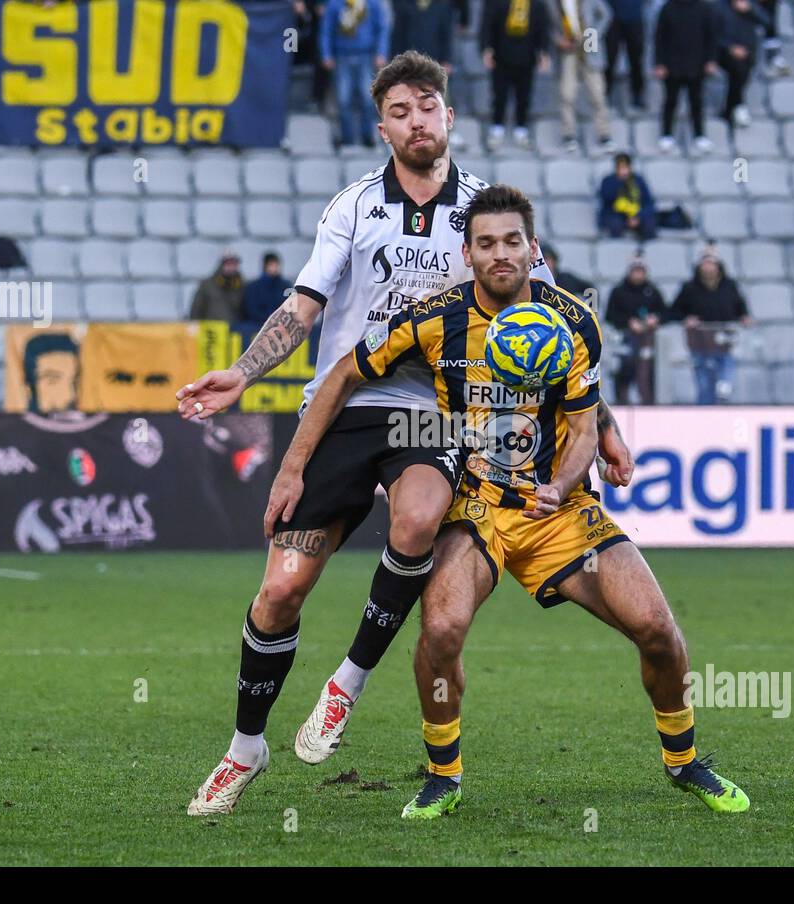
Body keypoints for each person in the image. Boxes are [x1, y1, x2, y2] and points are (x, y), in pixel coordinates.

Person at [177, 52, 634, 816]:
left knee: (420, 517)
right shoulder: (352, 207)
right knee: (282, 589)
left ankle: (346, 683)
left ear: (448, 117)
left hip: (439, 409)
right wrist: (244, 373)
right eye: (400, 110)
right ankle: (244, 748)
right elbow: (303, 306)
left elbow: (553, 322)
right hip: (346, 403)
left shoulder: (489, 212)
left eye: (428, 106)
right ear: (382, 125)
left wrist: (605, 422)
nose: (417, 120)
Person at [275, 185, 749, 818]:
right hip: (473, 507)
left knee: (658, 630)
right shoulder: (433, 318)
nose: (501, 254)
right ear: (467, 254)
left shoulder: (574, 320)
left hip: (560, 511)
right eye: (487, 243)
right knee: (440, 629)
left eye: (513, 242)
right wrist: (295, 464)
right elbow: (344, 374)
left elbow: (581, 427)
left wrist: (563, 483)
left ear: (534, 248)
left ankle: (684, 760)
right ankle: (443, 774)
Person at [672, 246, 751, 404]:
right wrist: (687, 319)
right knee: (704, 386)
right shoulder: (690, 288)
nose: (708, 267)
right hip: (700, 343)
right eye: (705, 263)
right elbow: (674, 311)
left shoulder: (730, 286)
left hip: (724, 342)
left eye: (711, 263)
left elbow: (740, 308)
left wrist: (744, 317)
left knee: (725, 384)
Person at [482, 0, 553, 150]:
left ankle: (521, 128)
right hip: (501, 56)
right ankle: (497, 128)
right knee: (499, 94)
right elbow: (488, 24)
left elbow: (543, 28)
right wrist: (486, 49)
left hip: (526, 57)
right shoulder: (498, 3)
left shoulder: (537, 4)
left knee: (524, 95)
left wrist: (543, 52)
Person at [320, 0, 391, 149]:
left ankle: (367, 137)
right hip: (342, 56)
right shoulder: (335, 4)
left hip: (366, 55)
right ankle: (348, 139)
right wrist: (326, 54)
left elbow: (382, 28)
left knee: (368, 99)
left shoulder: (373, 3)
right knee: (343, 99)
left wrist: (381, 52)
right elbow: (326, 29)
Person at [653, 0, 718, 155]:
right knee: (670, 101)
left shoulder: (704, 8)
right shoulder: (667, 8)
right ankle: (666, 135)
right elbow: (659, 38)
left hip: (696, 64)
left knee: (696, 102)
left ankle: (699, 135)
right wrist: (659, 63)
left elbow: (711, 36)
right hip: (672, 65)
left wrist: (711, 60)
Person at [554, 0, 614, 152]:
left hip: (590, 49)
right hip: (569, 50)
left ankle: (604, 133)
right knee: (567, 94)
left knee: (597, 94)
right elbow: (549, 25)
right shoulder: (555, 2)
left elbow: (606, 14)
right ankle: (569, 134)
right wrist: (558, 40)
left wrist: (593, 35)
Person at [605, 258, 665, 404]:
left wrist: (655, 319)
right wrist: (628, 322)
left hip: (647, 339)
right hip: (624, 338)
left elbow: (666, 312)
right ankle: (621, 401)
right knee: (624, 370)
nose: (638, 275)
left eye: (641, 271)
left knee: (646, 373)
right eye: (635, 271)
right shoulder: (618, 291)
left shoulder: (653, 291)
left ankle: (647, 402)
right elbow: (610, 315)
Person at [716, 0, 769, 129]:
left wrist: (750, 10)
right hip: (726, 53)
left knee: (741, 77)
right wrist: (731, 48)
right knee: (738, 72)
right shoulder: (718, 6)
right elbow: (713, 33)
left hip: (748, 52)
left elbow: (767, 21)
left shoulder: (750, 5)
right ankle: (738, 105)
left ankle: (730, 110)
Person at [597, 152, 658, 240]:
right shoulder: (608, 181)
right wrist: (621, 182)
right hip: (615, 215)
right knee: (615, 225)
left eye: (624, 167)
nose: (622, 170)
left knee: (649, 225)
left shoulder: (638, 181)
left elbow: (648, 202)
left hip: (636, 214)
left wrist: (638, 217)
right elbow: (607, 199)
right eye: (619, 167)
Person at [604, 0, 648, 113]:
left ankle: (637, 96)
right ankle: (605, 94)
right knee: (610, 59)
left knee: (636, 60)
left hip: (634, 18)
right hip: (612, 19)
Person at [391, 0, 455, 72]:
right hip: (409, 58)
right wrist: (395, 58)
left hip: (434, 58)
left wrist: (446, 59)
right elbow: (398, 35)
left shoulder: (442, 6)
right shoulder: (404, 4)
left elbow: (446, 35)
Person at [240, 253, 289, 345]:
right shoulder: (253, 287)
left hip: (279, 331)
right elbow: (251, 310)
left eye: (276, 265)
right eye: (271, 265)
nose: (274, 268)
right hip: (257, 331)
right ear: (265, 266)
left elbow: (290, 309)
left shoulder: (285, 287)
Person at [189, 250, 246, 329]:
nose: (231, 267)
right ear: (221, 265)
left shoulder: (243, 286)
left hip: (234, 331)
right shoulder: (207, 285)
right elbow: (196, 309)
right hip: (211, 332)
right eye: (228, 263)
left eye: (234, 264)